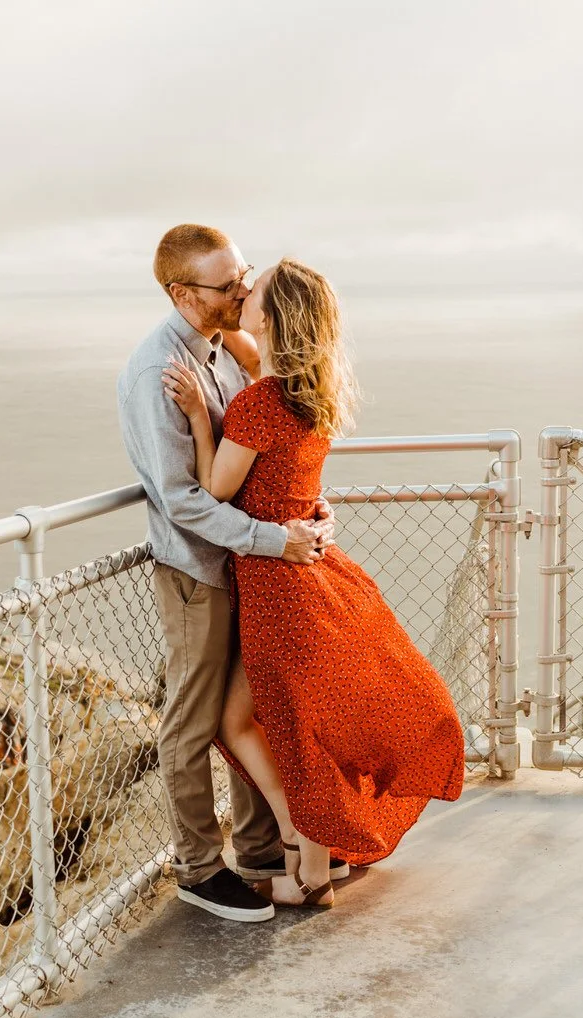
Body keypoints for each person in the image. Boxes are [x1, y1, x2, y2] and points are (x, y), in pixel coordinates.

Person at [162, 257, 467, 908]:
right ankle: (310, 853)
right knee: (281, 723)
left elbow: (216, 486)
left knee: (248, 722)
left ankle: (310, 869)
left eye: (254, 290)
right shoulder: (309, 395)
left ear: (270, 318)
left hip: (275, 589)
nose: (242, 292)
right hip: (312, 575)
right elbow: (261, 375)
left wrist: (194, 413)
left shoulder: (256, 404)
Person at [117, 224, 346, 923]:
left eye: (245, 273)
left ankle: (262, 845)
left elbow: (266, 453)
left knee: (258, 709)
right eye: (228, 282)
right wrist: (277, 539)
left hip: (253, 564)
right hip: (201, 569)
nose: (243, 287)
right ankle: (198, 865)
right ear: (183, 294)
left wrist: (306, 511)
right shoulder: (158, 370)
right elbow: (185, 498)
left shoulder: (225, 350)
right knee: (195, 718)